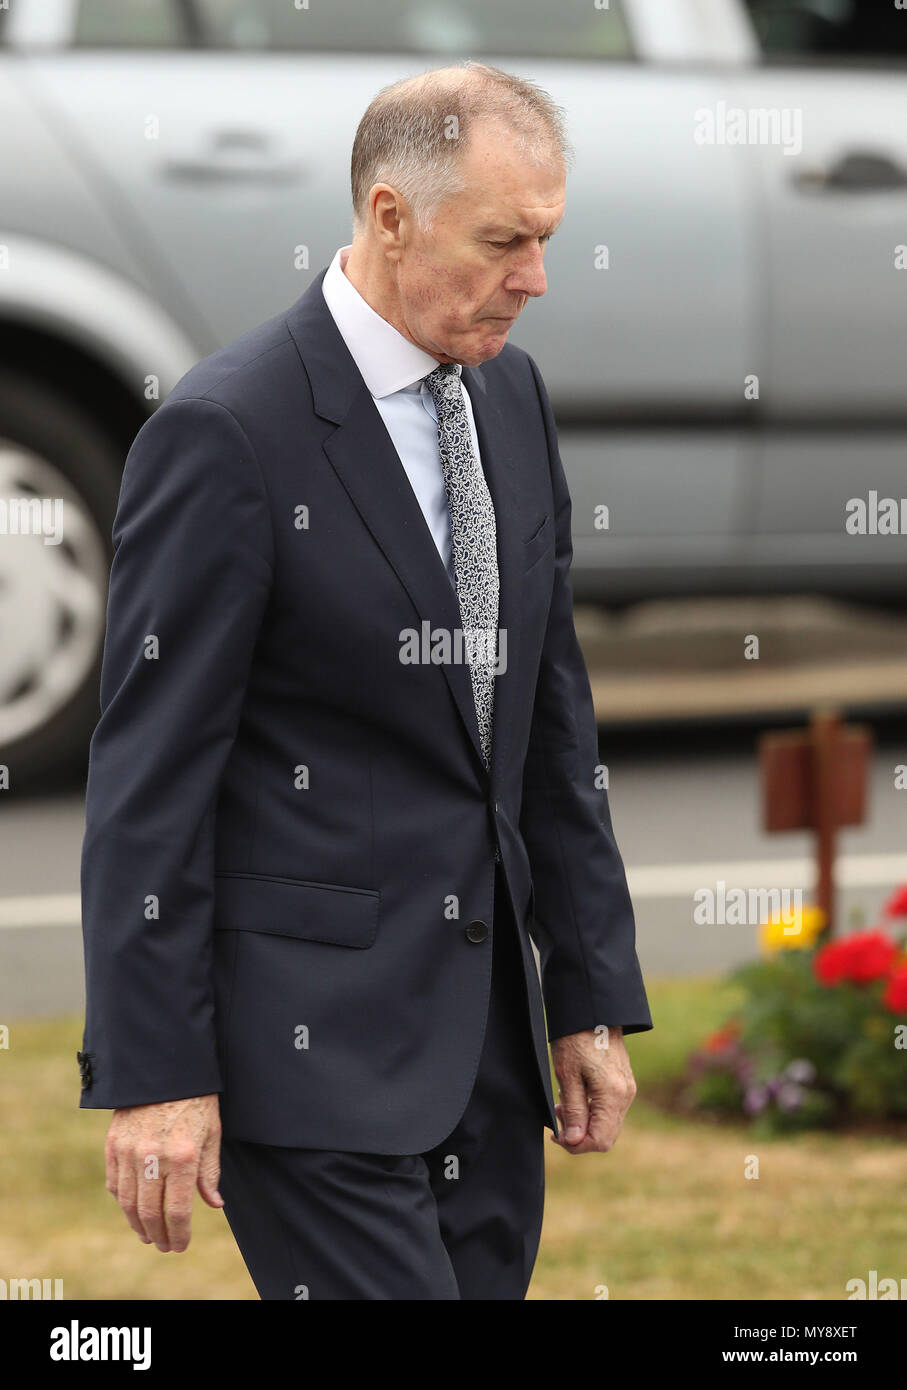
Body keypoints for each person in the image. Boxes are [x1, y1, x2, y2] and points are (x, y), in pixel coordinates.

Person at [79, 60, 652, 1301]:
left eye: (547, 240)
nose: (534, 280)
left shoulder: (511, 394)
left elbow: (549, 717)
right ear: (390, 215)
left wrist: (589, 993)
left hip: (486, 1062)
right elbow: (149, 782)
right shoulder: (228, 432)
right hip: (311, 1063)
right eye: (503, 240)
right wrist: (156, 1071)